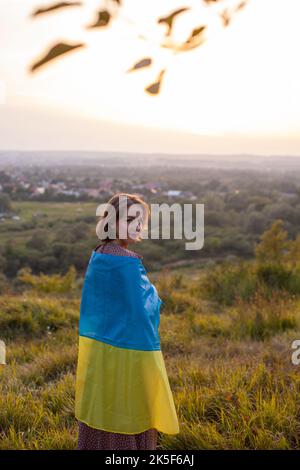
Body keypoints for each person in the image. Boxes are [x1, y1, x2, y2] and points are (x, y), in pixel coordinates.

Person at [75, 192, 179, 450]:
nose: (138, 225)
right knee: (128, 406)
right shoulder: (126, 261)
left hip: (100, 350)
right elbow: (143, 309)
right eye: (131, 218)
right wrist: (155, 297)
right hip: (128, 353)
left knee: (104, 404)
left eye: (141, 220)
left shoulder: (99, 254)